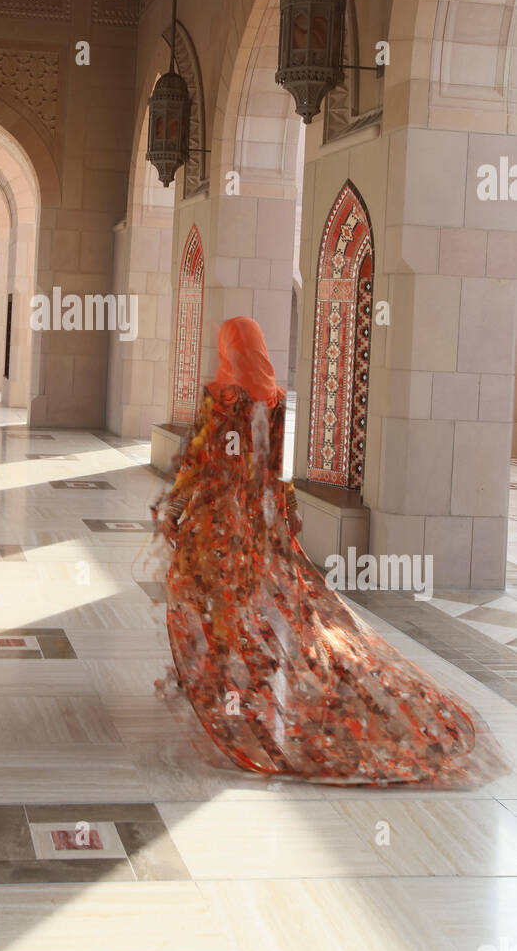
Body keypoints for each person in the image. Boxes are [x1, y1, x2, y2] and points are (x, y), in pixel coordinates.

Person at [153, 316, 504, 787]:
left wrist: (176, 502)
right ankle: (233, 678)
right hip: (257, 521)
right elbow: (273, 466)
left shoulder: (221, 400)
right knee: (253, 597)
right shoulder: (272, 399)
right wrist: (289, 507)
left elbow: (198, 460)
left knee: (200, 593)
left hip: (218, 522)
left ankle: (215, 681)